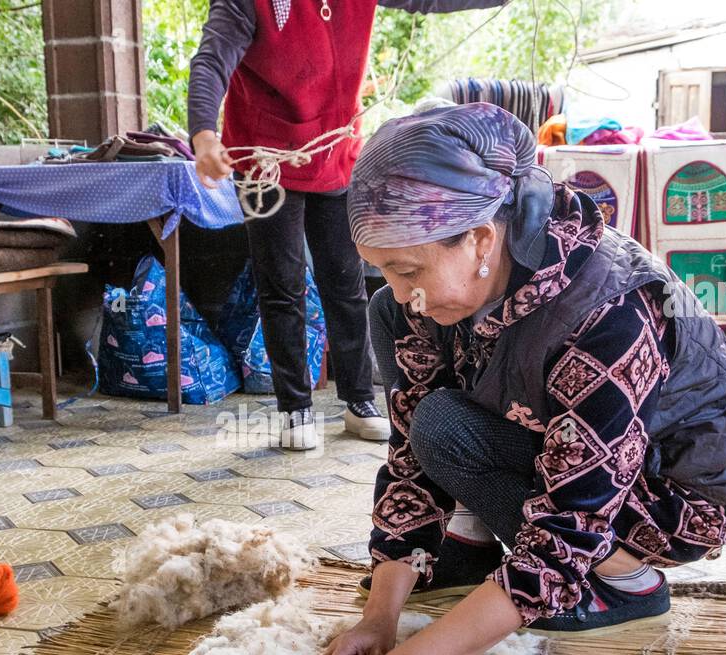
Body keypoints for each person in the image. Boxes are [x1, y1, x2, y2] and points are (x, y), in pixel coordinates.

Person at [269, 103, 726, 655]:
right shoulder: (423, 300)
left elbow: (567, 526)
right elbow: (410, 460)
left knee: (478, 455)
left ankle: (626, 584)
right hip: (556, 442)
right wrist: (381, 617)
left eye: (409, 270)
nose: (397, 292)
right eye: (383, 270)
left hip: (679, 492)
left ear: (481, 238)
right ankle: (473, 546)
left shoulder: (606, 311)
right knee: (437, 425)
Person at [188, 0, 507, 450]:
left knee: (345, 279)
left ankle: (359, 401)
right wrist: (204, 134)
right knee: (281, 282)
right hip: (266, 160)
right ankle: (295, 408)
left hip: (334, 152)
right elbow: (211, 58)